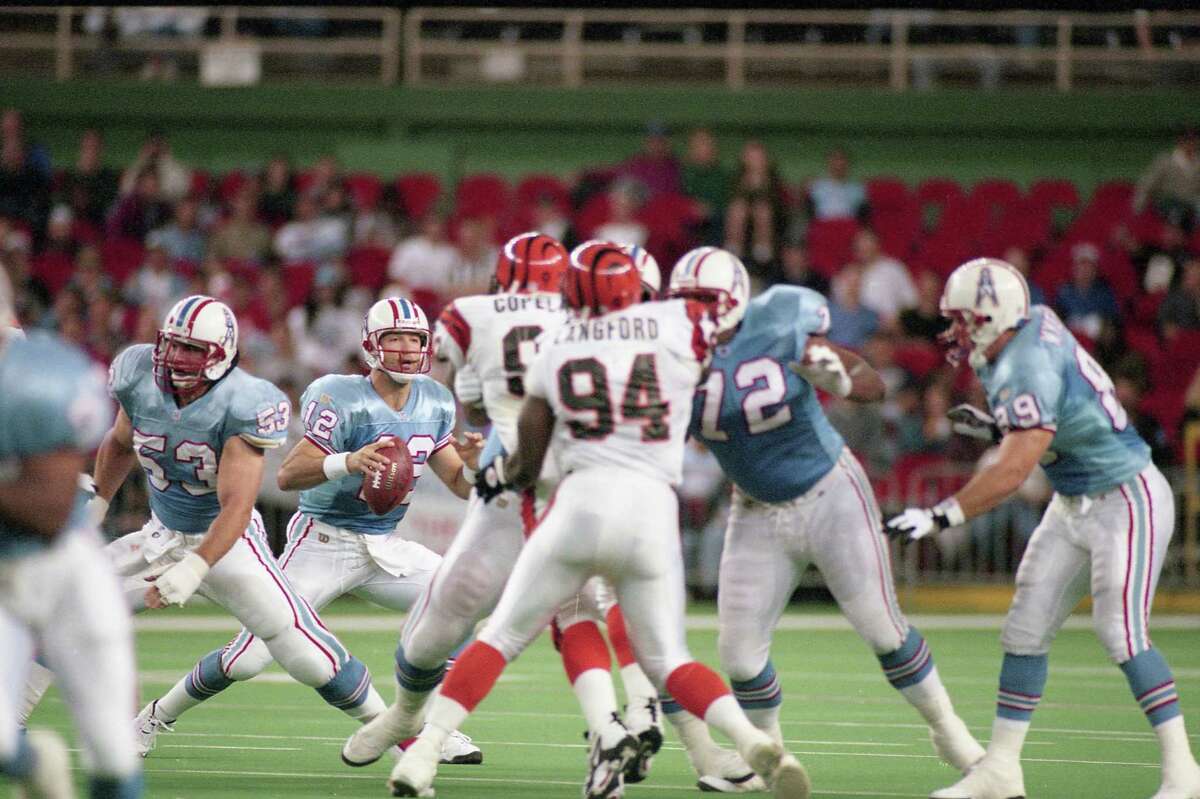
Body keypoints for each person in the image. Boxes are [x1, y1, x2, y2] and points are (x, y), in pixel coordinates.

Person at [379, 241, 811, 799]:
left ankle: (426, 752)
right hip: (650, 512)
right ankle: (746, 740)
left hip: (575, 503)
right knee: (668, 656)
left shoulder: (554, 342)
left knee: (507, 633)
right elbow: (725, 362)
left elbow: (522, 448)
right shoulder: (677, 325)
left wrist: (499, 471)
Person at [342, 235, 668, 786]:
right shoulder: (604, 330)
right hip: (568, 490)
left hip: (521, 491)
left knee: (456, 631)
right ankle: (630, 717)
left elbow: (475, 403)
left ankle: (611, 730)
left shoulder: (475, 315)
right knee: (587, 609)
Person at [667, 247, 984, 787]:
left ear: (736, 301)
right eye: (685, 300)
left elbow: (871, 383)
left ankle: (949, 731)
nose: (694, 311)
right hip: (755, 508)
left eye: (705, 299)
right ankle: (769, 757)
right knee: (739, 655)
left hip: (830, 494)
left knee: (883, 629)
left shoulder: (778, 318)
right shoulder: (667, 350)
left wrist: (843, 380)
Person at [885, 258, 1200, 799]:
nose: (954, 331)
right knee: (1025, 628)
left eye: (962, 320)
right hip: (1074, 498)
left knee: (1121, 633)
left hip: (1126, 498)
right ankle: (1001, 769)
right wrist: (1004, 427)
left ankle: (1184, 771)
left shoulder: (1023, 364)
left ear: (991, 317)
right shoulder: (1027, 327)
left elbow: (1012, 471)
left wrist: (941, 515)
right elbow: (1059, 415)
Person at [21, 296, 391, 753]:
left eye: (192, 349)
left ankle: (391, 730)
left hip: (229, 542)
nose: (177, 358)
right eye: (173, 345)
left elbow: (237, 505)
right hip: (160, 536)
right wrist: (99, 501)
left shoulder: (244, 401)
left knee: (303, 651)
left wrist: (195, 566)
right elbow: (119, 442)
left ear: (221, 354)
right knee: (63, 605)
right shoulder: (138, 374)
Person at [132, 295, 484, 764]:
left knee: (460, 602)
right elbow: (288, 475)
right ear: (370, 345)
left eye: (415, 340)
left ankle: (429, 727)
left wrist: (475, 468)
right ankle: (155, 715)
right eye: (394, 338)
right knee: (248, 658)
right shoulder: (340, 395)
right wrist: (349, 461)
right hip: (322, 541)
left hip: (383, 544)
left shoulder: (436, 400)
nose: (405, 349)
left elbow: (458, 483)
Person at [0, 273, 144, 799]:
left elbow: (47, 508)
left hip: (60, 566)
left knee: (111, 749)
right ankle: (37, 764)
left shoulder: (39, 378)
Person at [724, 140, 786, 271]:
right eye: (751, 157)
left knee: (762, 210)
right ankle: (733, 249)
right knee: (738, 209)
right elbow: (732, 200)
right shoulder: (736, 180)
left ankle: (763, 252)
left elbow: (778, 203)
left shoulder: (774, 180)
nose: (755, 162)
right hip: (742, 217)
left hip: (770, 219)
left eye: (758, 158)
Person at [1134, 127, 1200, 230]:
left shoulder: (1197, 163)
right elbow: (1148, 184)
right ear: (1180, 141)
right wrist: (1138, 206)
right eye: (1187, 140)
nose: (1191, 144)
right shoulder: (1166, 162)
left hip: (1192, 204)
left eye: (1194, 140)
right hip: (1169, 203)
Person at [807, 148, 866, 221]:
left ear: (848, 164)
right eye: (835, 160)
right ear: (828, 164)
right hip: (823, 224)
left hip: (848, 224)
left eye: (842, 160)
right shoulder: (816, 186)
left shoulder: (857, 188)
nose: (838, 164)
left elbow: (863, 214)